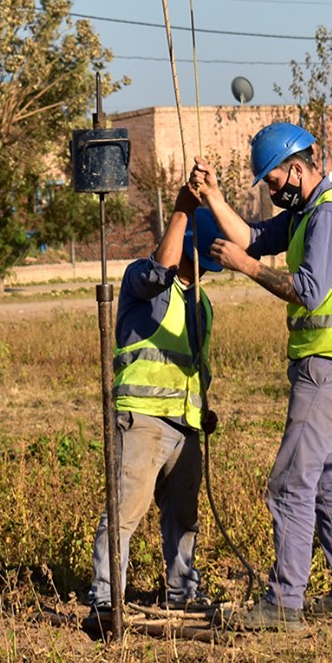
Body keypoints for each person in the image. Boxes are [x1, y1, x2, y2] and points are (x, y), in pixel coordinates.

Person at [192, 123, 332, 632]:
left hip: (330, 368)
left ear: (297, 168)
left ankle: (285, 603)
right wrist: (214, 198)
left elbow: (308, 291)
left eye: (272, 181)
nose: (271, 191)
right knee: (330, 477)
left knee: (291, 483)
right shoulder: (306, 212)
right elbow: (250, 235)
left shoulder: (329, 216)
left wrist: (246, 268)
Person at [84, 189, 220, 638]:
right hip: (141, 418)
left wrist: (205, 410)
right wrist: (184, 208)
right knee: (124, 511)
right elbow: (161, 269)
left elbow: (196, 363)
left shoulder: (201, 303)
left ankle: (182, 591)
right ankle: (107, 597)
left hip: (185, 424)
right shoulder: (141, 279)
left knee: (183, 516)